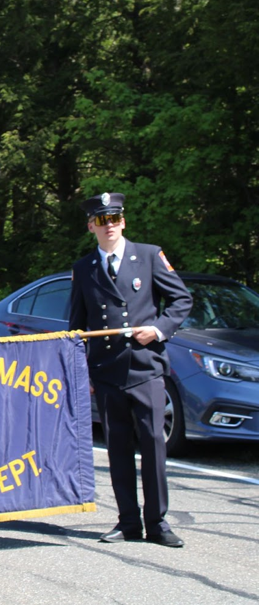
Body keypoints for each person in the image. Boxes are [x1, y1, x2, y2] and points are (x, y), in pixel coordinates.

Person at [68, 192, 192, 548]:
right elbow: (77, 326)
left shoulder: (149, 256)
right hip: (106, 371)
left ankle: (157, 523)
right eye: (101, 220)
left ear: (123, 222)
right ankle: (127, 522)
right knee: (118, 448)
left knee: (153, 446)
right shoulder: (84, 269)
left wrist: (157, 329)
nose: (108, 226)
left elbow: (181, 299)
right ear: (91, 225)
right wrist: (84, 374)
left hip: (145, 367)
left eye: (114, 219)